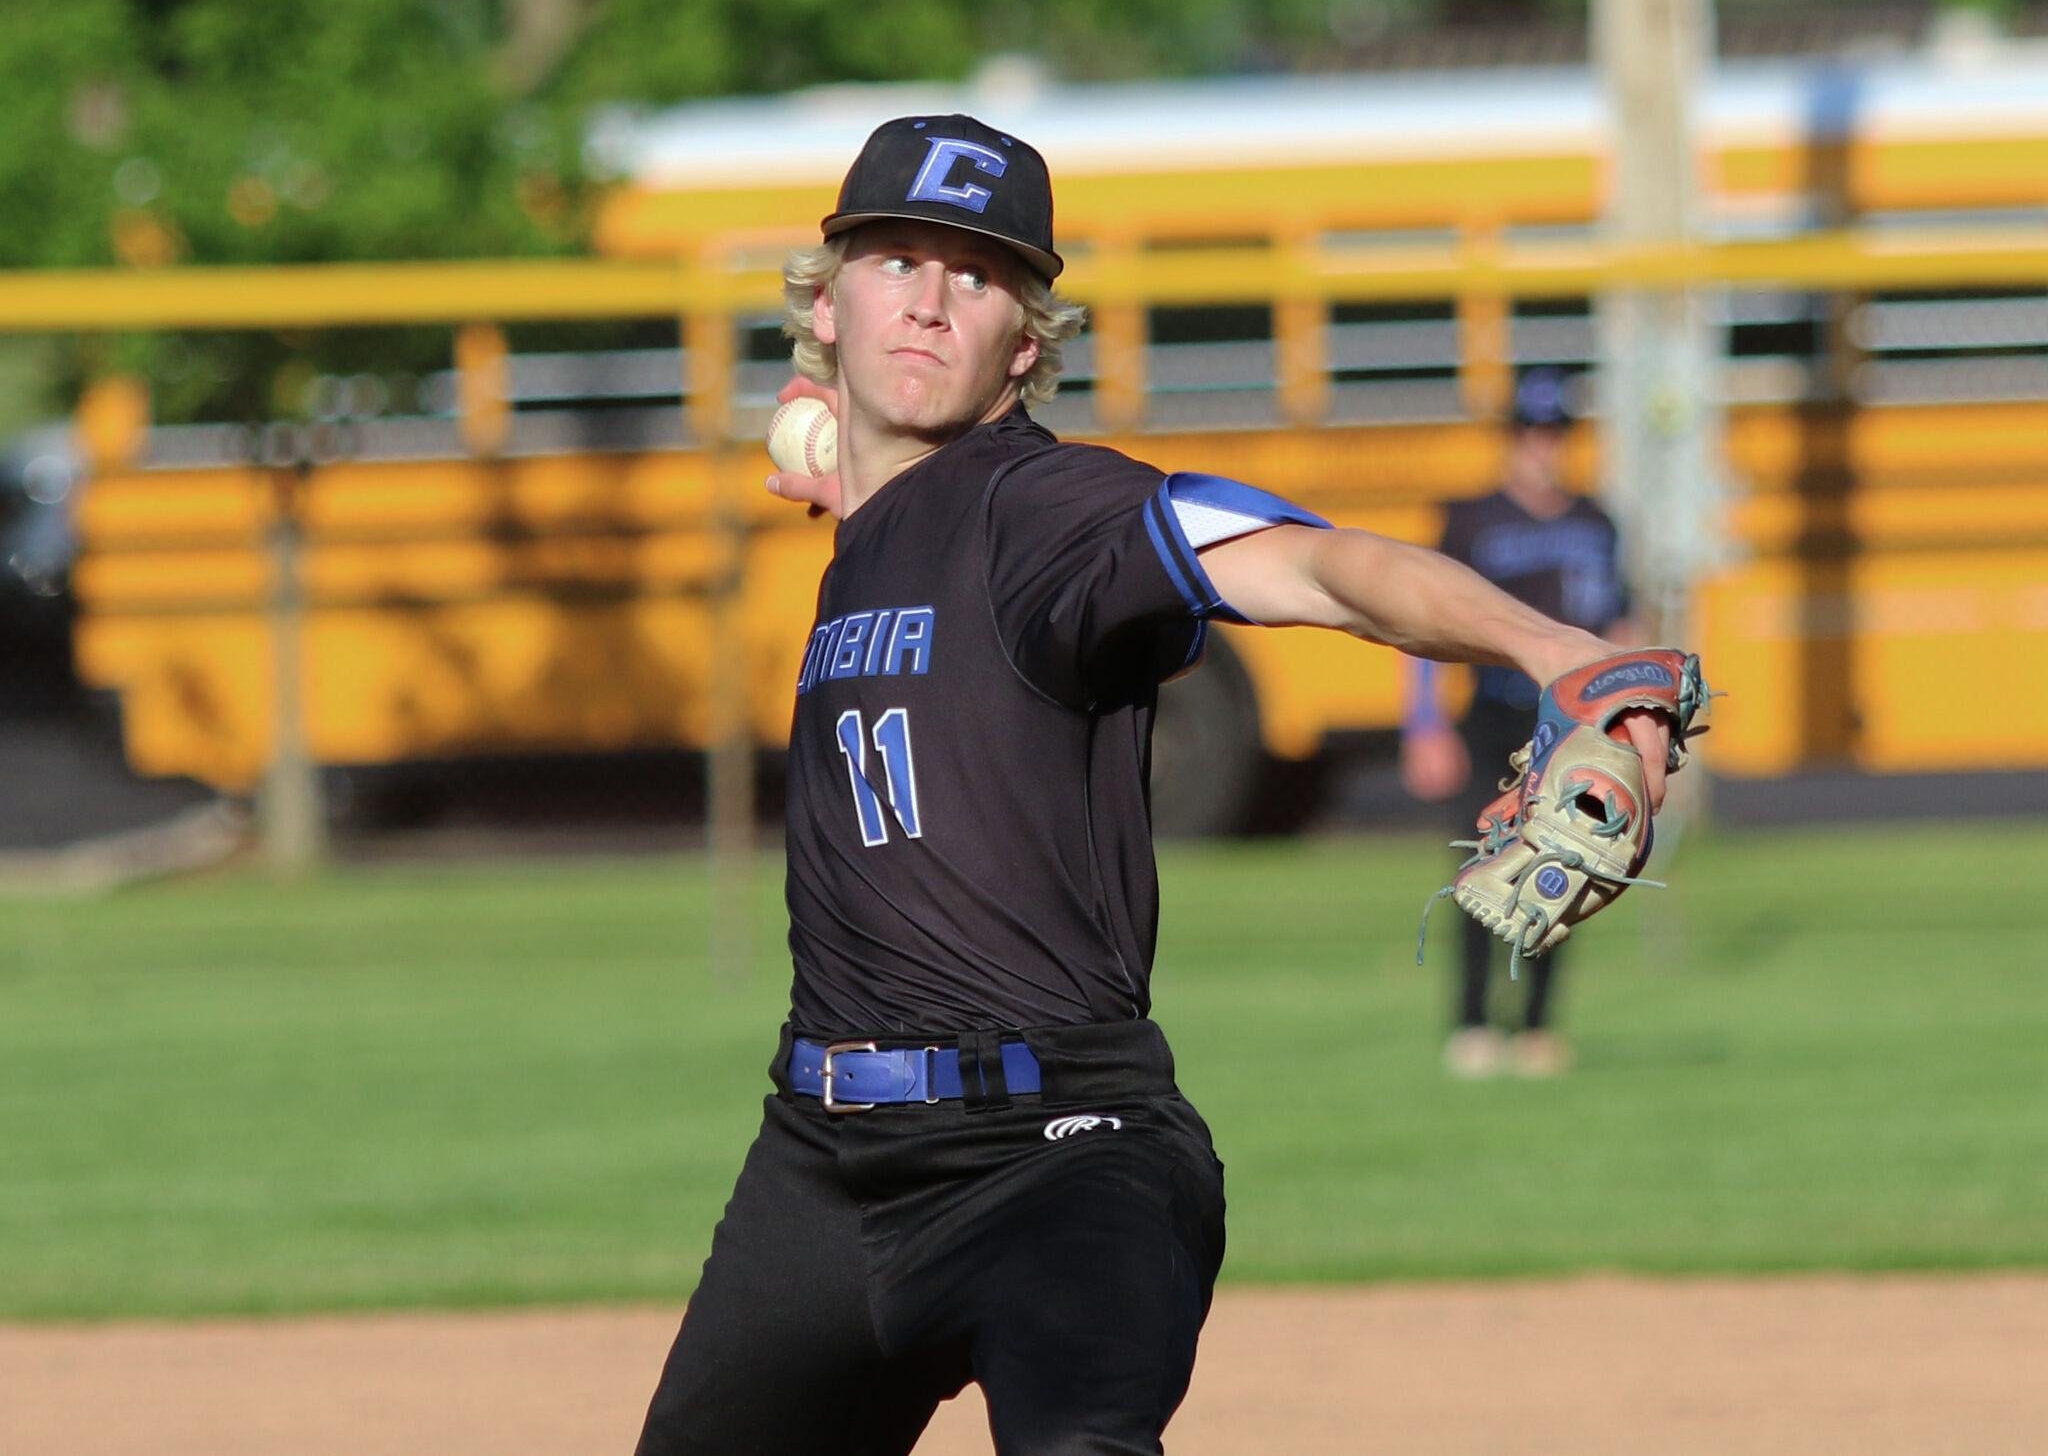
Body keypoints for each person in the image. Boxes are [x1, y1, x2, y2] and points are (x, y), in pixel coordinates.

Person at [634, 116, 1672, 1456]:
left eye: (979, 272)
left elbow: (1313, 566)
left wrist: (1560, 650)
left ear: (1027, 343)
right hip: (818, 1168)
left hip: (1058, 1155)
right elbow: (898, 497)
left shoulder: (1052, 511)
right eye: (895, 259)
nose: (932, 297)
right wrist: (857, 479)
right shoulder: (876, 512)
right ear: (824, 307)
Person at [1399, 367, 1635, 1080]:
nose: (1543, 446)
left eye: (1554, 431)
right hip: (1491, 709)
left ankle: (1537, 1025)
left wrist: (1636, 716)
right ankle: (1473, 1022)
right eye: (1530, 431)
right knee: (1482, 864)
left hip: (1567, 718)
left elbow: (1620, 624)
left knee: (1564, 864)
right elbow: (1424, 625)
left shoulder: (1595, 522)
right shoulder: (1471, 519)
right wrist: (1424, 722)